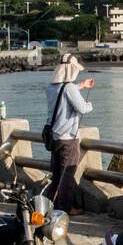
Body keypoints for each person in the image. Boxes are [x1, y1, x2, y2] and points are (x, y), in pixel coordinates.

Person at [43, 52, 94, 213]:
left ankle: (51, 205)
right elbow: (82, 108)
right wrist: (89, 104)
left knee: (57, 173)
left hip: (54, 137)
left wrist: (82, 86)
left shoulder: (51, 87)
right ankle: (65, 208)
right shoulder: (70, 88)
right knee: (68, 174)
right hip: (68, 138)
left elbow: (64, 91)